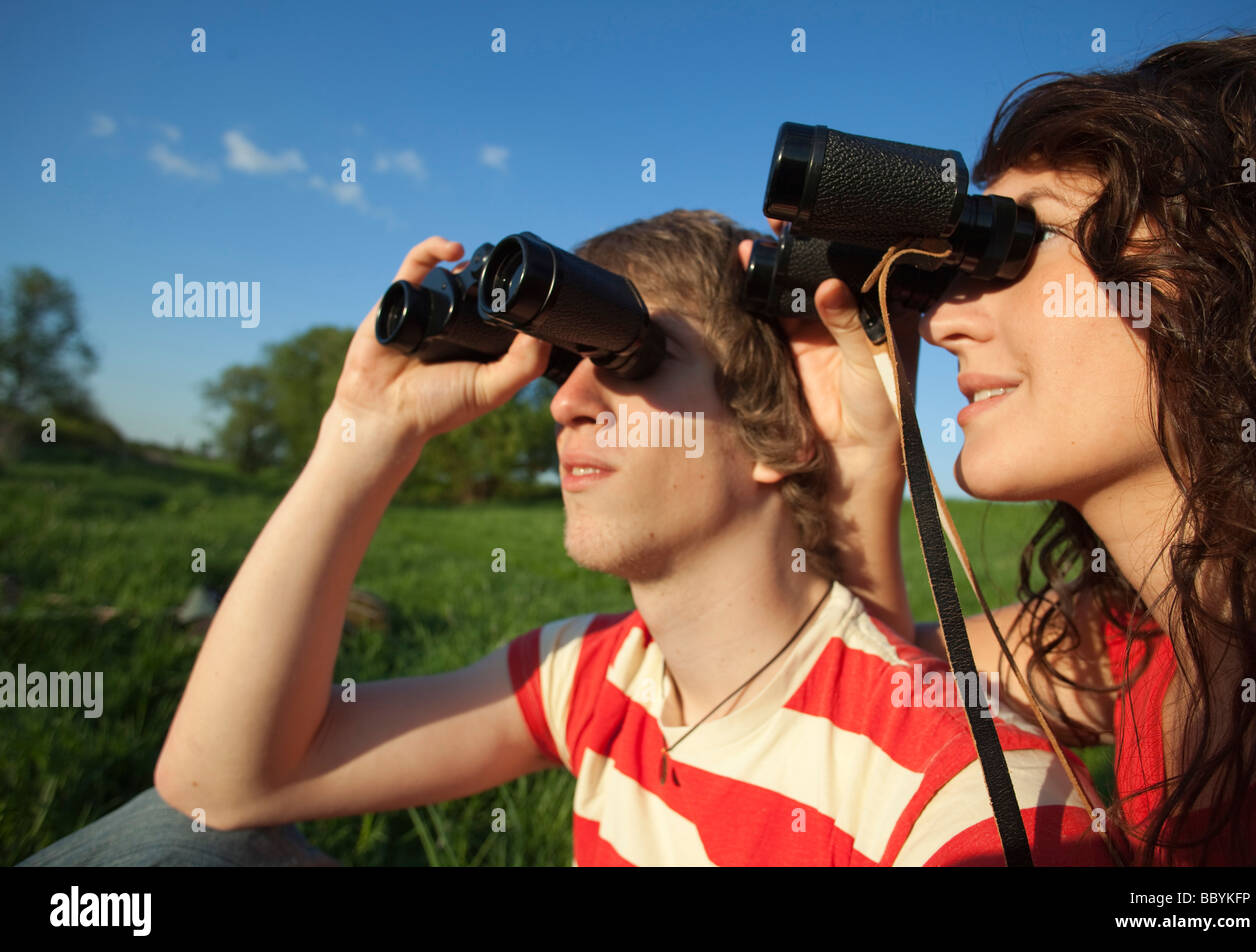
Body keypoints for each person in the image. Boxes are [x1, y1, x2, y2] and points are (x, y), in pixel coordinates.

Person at [23, 210, 1111, 866]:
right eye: (557, 363)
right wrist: (360, 436)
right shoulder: (596, 676)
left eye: (628, 357)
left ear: (774, 433)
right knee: (151, 845)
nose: (563, 404)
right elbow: (222, 783)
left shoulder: (957, 783)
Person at [753, 32, 1256, 866]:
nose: (940, 324)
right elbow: (874, 685)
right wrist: (871, 442)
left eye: (1016, 244)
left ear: (1225, 258)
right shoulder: (1134, 639)